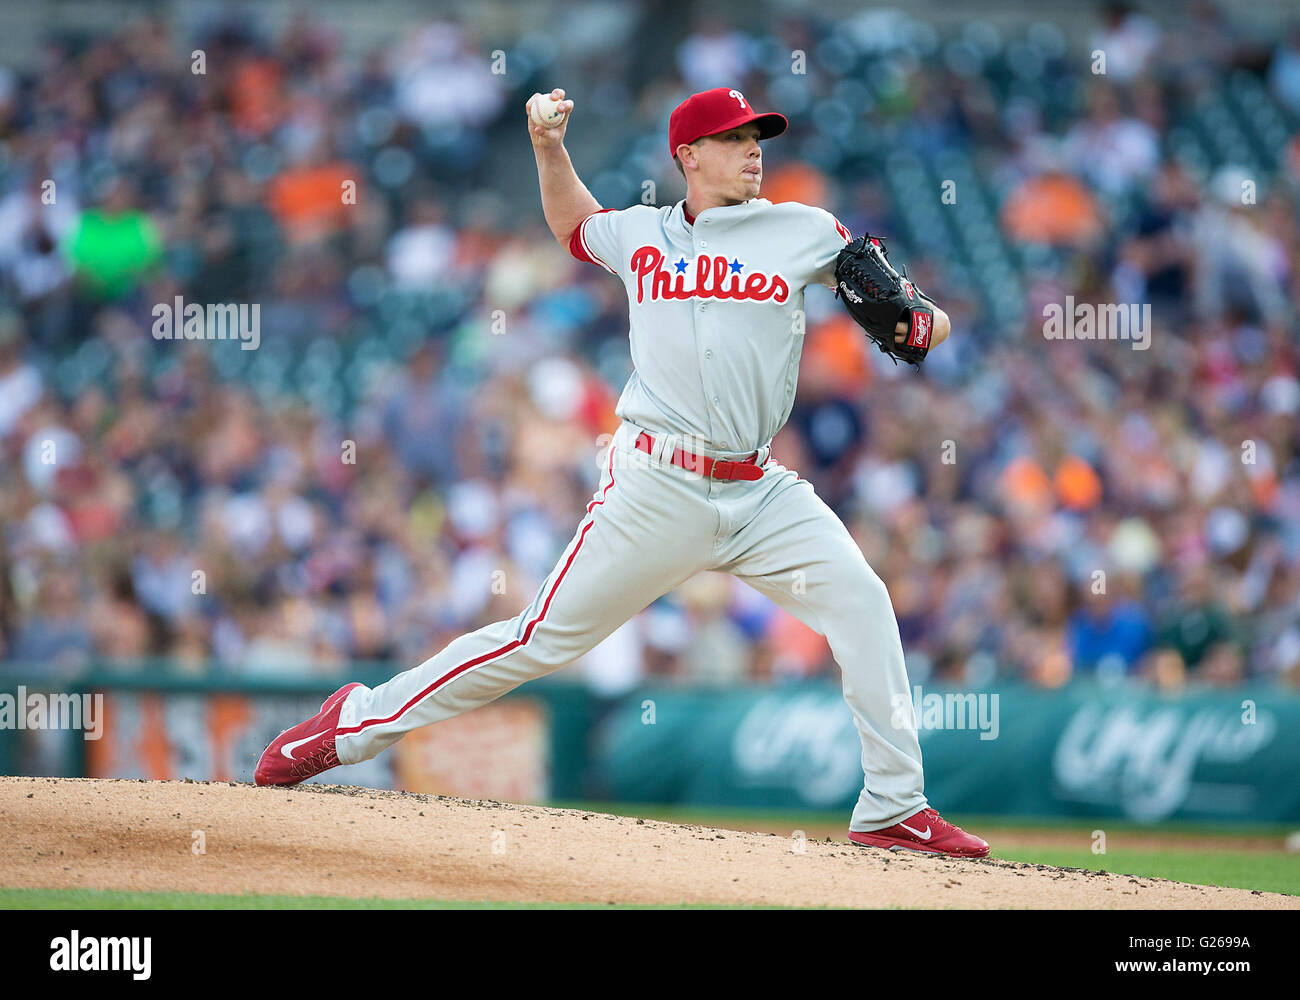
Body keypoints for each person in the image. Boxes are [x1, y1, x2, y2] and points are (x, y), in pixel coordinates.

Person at [255, 86, 989, 858]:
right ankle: (356, 722)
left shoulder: (803, 229)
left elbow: (920, 323)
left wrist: (919, 320)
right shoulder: (642, 234)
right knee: (535, 640)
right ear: (688, 156)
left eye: (758, 136)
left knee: (864, 603)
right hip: (657, 485)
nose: (754, 149)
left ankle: (894, 806)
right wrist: (547, 148)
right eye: (736, 137)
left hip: (760, 490)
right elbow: (573, 224)